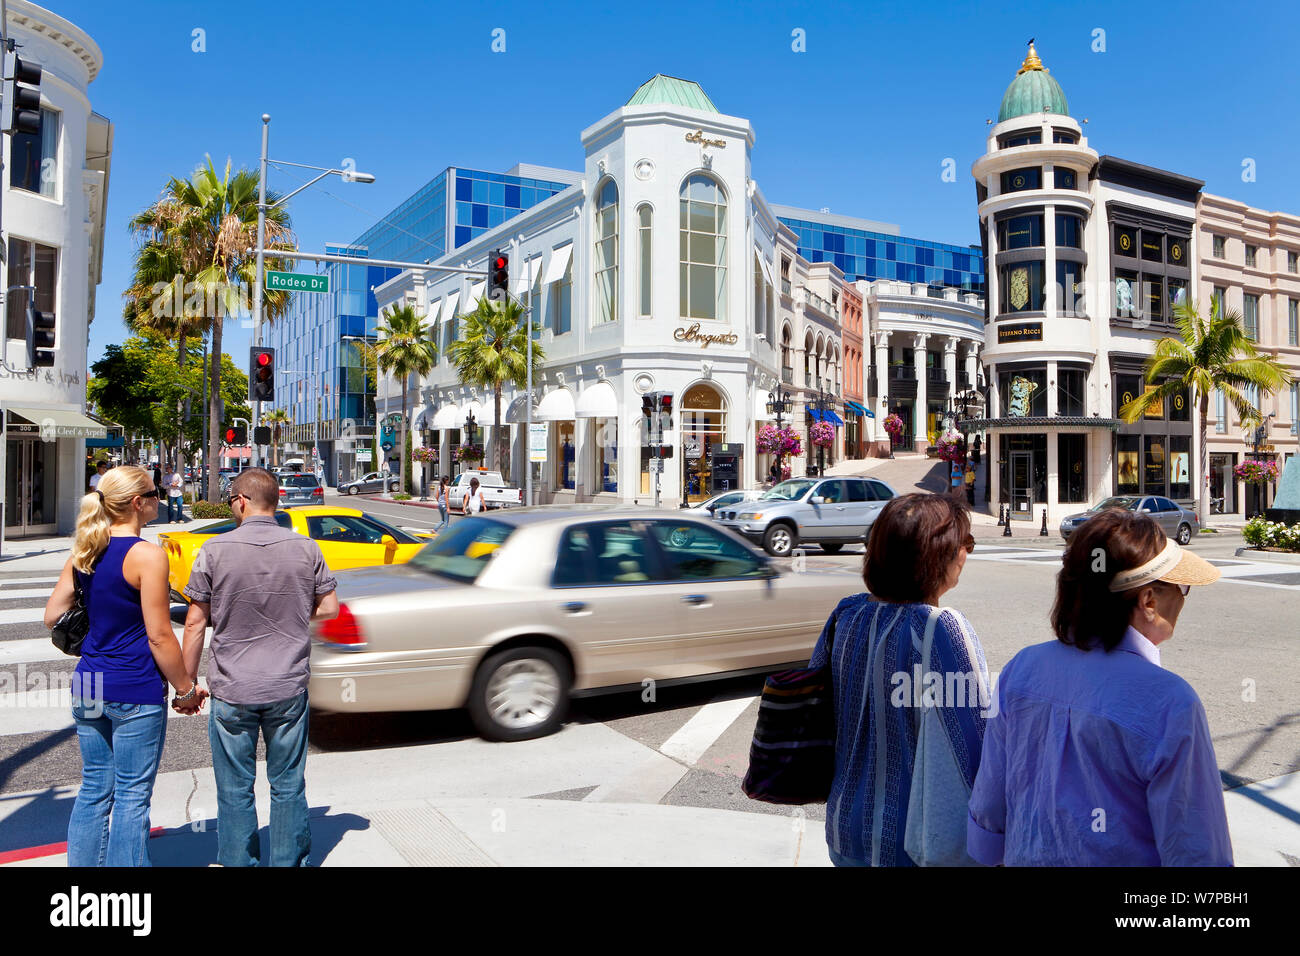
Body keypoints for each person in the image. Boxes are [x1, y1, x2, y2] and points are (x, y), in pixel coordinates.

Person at [967, 509, 1231, 866]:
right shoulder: (1171, 702)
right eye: (1181, 587)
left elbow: (989, 802)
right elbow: (1195, 848)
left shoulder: (1022, 668)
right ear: (1148, 600)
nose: (1184, 599)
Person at [808, 493, 988, 866]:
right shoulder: (941, 628)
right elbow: (974, 742)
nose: (966, 554)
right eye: (964, 543)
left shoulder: (847, 614)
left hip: (844, 830)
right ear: (938, 554)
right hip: (914, 843)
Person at [44, 465, 204, 867]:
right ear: (138, 503)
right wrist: (185, 690)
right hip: (133, 686)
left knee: (95, 787)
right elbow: (160, 636)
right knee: (132, 795)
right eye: (154, 494)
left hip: (90, 683)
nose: (159, 499)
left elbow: (52, 616)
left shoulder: (85, 550)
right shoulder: (147, 555)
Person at [180, 468, 338, 867]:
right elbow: (330, 607)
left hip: (233, 688)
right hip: (287, 686)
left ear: (241, 500)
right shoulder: (306, 549)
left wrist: (185, 685)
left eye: (232, 497)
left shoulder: (215, 550)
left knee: (235, 788)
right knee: (287, 785)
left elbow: (196, 622)